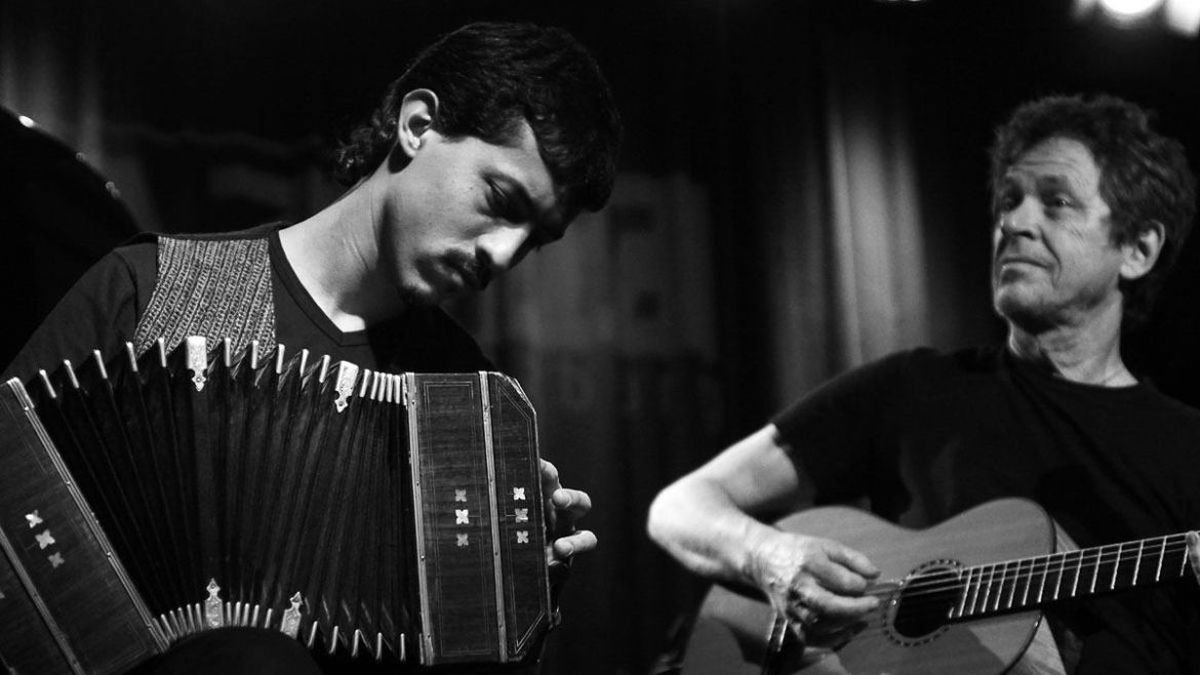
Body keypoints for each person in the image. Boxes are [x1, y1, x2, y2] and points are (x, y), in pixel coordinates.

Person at [3, 21, 620, 673]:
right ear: (417, 125)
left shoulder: (467, 411)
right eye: (500, 199)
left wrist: (516, 605)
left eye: (534, 238)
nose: (503, 252)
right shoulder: (152, 290)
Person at [647, 93, 1200, 674]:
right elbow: (679, 507)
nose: (1014, 222)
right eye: (1007, 201)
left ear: (1138, 250)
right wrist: (773, 558)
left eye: (1056, 203)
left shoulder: (1186, 448)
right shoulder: (913, 388)